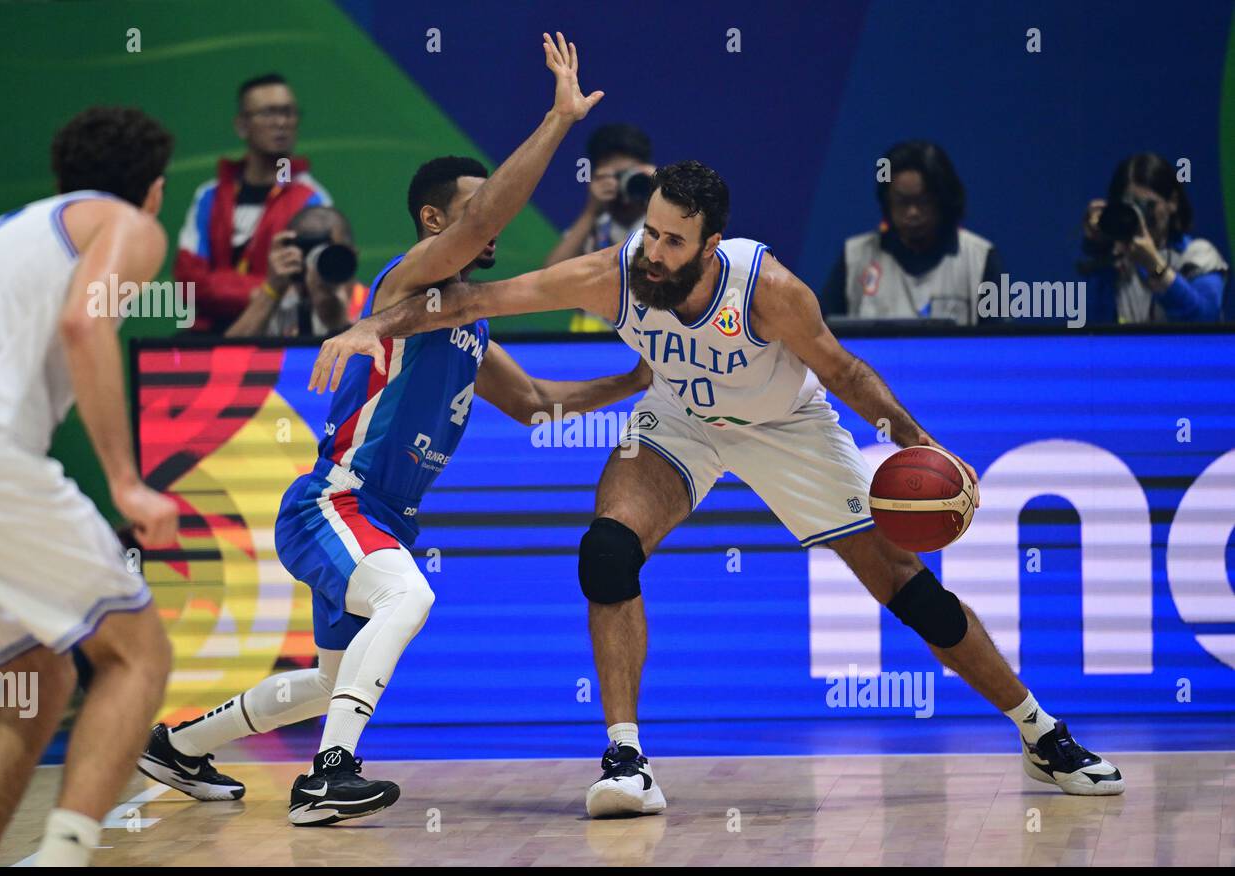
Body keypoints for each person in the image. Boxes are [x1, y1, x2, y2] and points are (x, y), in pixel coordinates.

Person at [319, 159, 1125, 818]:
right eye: (650, 232)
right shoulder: (614, 275)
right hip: (679, 420)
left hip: (788, 429)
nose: (653, 252)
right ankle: (626, 759)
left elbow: (842, 370)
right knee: (606, 553)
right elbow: (472, 298)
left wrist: (913, 439)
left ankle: (1040, 731)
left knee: (906, 588)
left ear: (712, 246)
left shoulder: (767, 290)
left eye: (673, 241)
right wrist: (369, 325)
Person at [137, 33, 649, 825]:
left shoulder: (468, 322)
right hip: (336, 504)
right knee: (408, 596)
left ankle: (178, 746)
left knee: (326, 681)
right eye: (474, 212)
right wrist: (556, 122)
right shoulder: (402, 283)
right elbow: (488, 216)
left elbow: (537, 403)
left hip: (378, 517)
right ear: (434, 220)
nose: (493, 226)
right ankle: (328, 774)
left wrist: (630, 380)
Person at [0, 106, 179, 866]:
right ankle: (62, 867)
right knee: (138, 655)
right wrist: (126, 484)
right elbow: (86, 322)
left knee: (32, 669)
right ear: (156, 192)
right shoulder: (127, 224)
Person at [174, 73, 332, 334]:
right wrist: (267, 288)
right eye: (269, 113)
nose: (281, 122)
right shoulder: (208, 196)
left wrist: (221, 285)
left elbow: (314, 291)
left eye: (289, 112)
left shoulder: (314, 200)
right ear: (242, 125)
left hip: (281, 342)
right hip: (207, 338)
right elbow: (189, 285)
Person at [820, 140, 1003, 325]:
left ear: (944, 200)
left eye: (923, 201)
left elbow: (1000, 346)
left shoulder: (980, 258)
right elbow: (822, 333)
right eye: (902, 201)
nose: (912, 212)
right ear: (887, 201)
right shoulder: (855, 255)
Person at [1080, 152, 1227, 324]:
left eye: (1147, 206)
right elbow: (1095, 330)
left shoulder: (1198, 255)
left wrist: (1154, 266)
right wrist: (1099, 249)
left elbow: (1206, 321)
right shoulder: (1115, 261)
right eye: (1130, 207)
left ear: (1172, 202)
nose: (1140, 215)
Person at [544, 123, 656, 331]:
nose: (623, 183)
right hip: (594, 348)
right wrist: (590, 211)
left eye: (629, 175)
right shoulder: (592, 230)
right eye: (614, 177)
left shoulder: (662, 230)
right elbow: (548, 280)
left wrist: (661, 196)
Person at [224, 205, 368, 337]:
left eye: (331, 254)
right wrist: (271, 290)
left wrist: (337, 320)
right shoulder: (278, 306)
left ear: (352, 256)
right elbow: (227, 359)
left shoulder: (374, 305)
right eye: (309, 254)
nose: (319, 262)